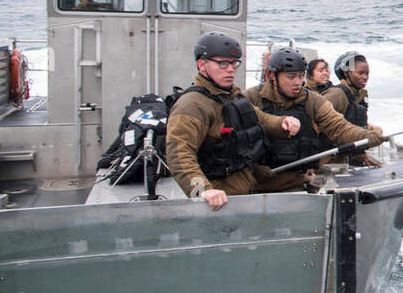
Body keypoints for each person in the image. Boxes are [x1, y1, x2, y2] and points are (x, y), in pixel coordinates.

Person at [165, 31, 301, 211]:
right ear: (202, 64)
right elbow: (179, 154)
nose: (230, 69)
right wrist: (203, 190)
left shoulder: (232, 95)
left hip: (245, 187)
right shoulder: (192, 106)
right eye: (222, 63)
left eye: (234, 63)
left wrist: (282, 122)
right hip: (219, 200)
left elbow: (259, 117)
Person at [246, 48, 384, 192]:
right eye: (291, 77)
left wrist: (367, 136)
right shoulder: (251, 98)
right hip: (254, 182)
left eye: (301, 76)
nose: (298, 82)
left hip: (295, 181)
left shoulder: (313, 100)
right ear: (272, 75)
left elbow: (339, 127)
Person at [322, 51, 378, 165]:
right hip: (329, 160)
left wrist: (361, 156)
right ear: (346, 73)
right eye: (360, 73)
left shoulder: (360, 95)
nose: (365, 77)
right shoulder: (337, 95)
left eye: (367, 73)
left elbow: (357, 123)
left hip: (348, 159)